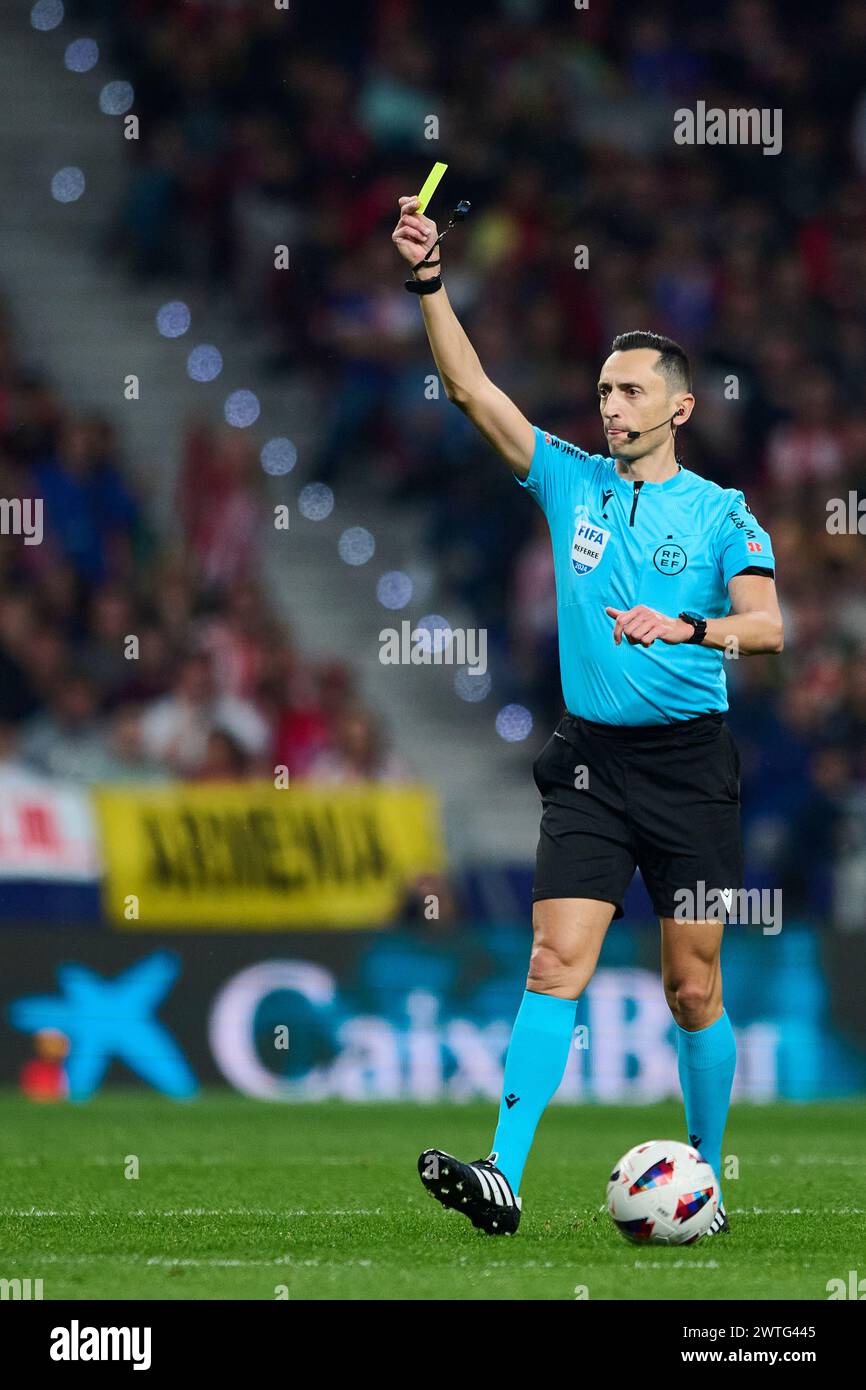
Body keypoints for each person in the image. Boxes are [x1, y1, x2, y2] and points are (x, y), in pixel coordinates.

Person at [392, 194, 783, 1237]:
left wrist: (686, 629)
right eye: (603, 388)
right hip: (587, 768)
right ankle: (501, 1174)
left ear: (677, 409)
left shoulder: (720, 515)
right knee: (550, 961)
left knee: (689, 985)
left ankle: (702, 1178)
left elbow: (768, 628)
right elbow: (471, 388)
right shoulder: (568, 482)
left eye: (629, 392)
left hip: (690, 769)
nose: (608, 405)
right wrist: (428, 282)